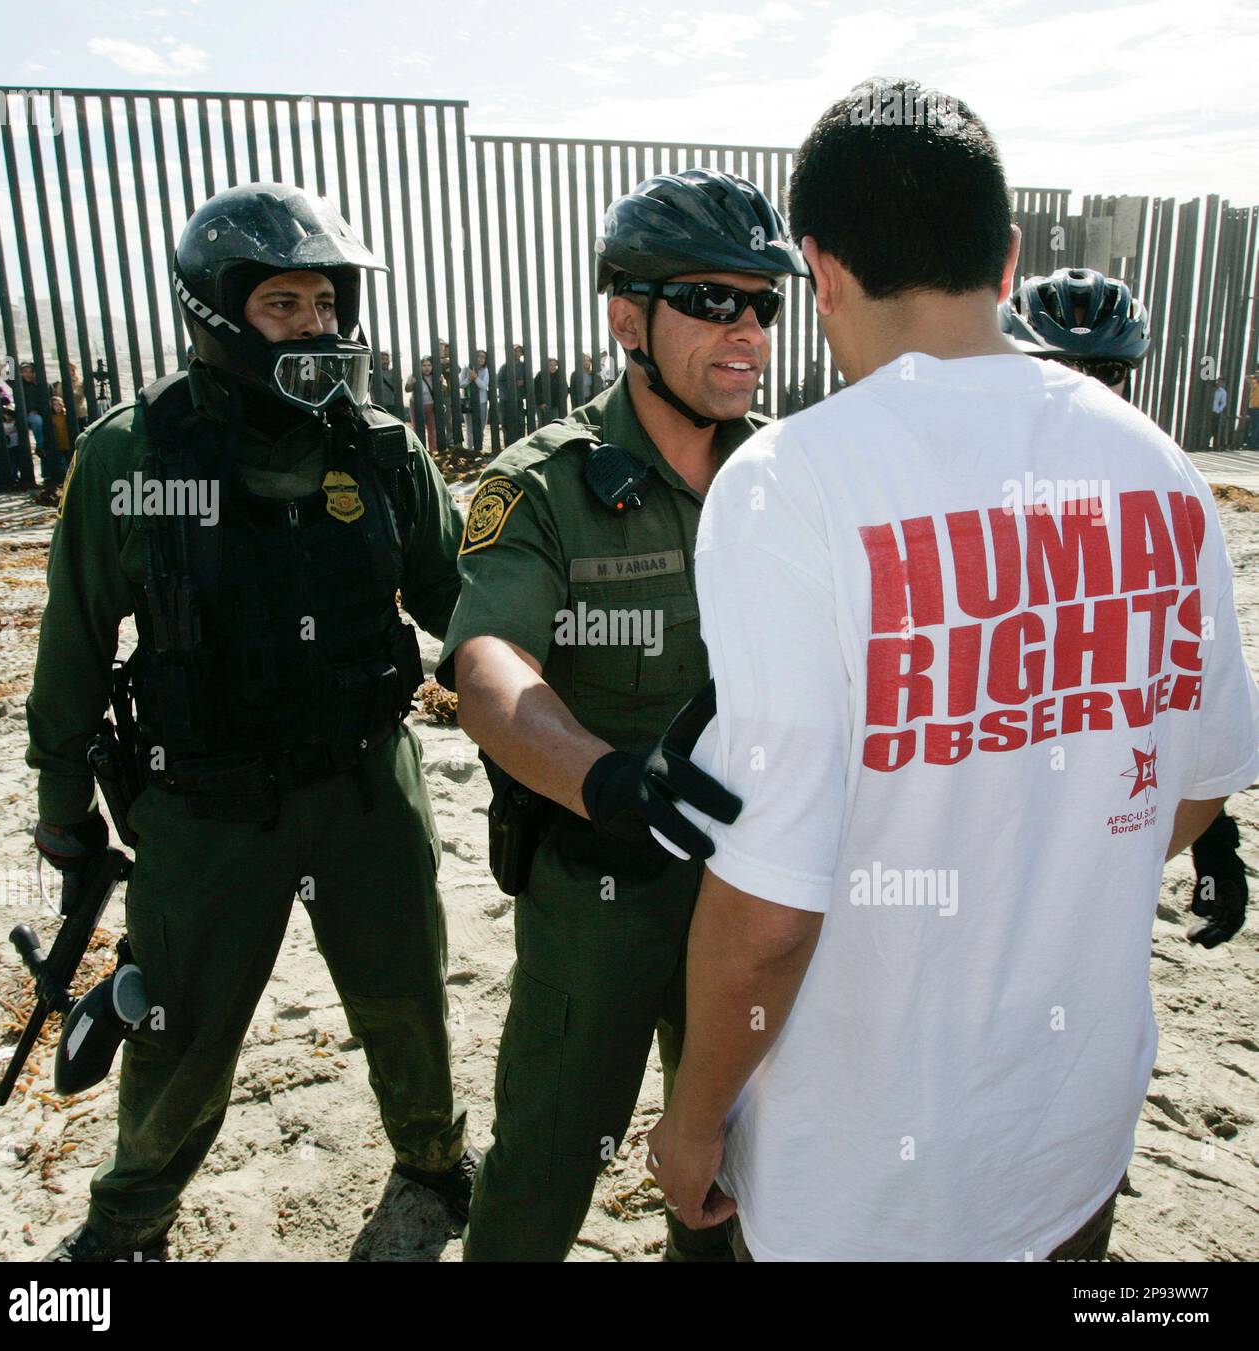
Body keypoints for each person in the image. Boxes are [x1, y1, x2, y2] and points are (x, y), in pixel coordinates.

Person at [645, 77, 1259, 1262]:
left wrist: (689, 1115)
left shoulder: (790, 484)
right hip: (1070, 1141)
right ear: (1008, 254)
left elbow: (769, 910)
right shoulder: (1158, 470)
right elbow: (1189, 795)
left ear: (817, 267)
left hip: (863, 1179)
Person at [26, 181, 476, 1262]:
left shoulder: (379, 450)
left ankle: (430, 1164)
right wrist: (62, 815)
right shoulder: (136, 458)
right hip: (206, 811)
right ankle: (131, 1216)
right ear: (220, 312)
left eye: (326, 302)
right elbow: (74, 649)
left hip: (370, 789)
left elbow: (461, 601)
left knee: (407, 1001)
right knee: (178, 1036)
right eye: (284, 304)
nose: (315, 327)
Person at [440, 167, 807, 1262]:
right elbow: (488, 668)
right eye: (710, 299)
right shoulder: (543, 486)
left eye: (764, 303)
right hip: (606, 890)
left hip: (760, 895)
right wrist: (609, 779)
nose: (745, 328)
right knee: (553, 1154)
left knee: (743, 1158)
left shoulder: (794, 474)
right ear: (625, 318)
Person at [1002, 267, 1249, 951]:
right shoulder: (973, 491)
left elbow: (1185, 687)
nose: (1083, 388)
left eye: (1105, 370)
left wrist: (1216, 848)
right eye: (1056, 366)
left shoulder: (1166, 499)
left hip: (1102, 827)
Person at [405, 355, 440, 456]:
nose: (427, 368)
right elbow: (407, 389)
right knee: (417, 428)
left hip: (430, 405)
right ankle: (420, 451)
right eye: (424, 365)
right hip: (416, 405)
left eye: (429, 365)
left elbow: (444, 389)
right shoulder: (414, 376)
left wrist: (442, 383)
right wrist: (412, 383)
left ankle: (433, 451)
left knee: (432, 429)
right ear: (420, 366)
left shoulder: (436, 376)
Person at [496, 343, 528, 446]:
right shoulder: (505, 367)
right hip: (505, 400)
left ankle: (520, 445)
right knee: (506, 424)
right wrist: (513, 384)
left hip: (518, 400)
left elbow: (529, 382)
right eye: (515, 351)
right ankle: (508, 445)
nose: (517, 353)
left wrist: (523, 385)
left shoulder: (524, 366)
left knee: (520, 423)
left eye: (519, 351)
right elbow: (499, 383)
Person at [461, 349, 491, 453]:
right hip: (469, 402)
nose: (481, 359)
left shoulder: (485, 370)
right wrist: (469, 379)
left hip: (482, 401)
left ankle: (479, 448)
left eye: (483, 357)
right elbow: (461, 384)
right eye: (479, 356)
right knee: (469, 427)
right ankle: (470, 448)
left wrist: (475, 378)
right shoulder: (466, 368)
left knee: (481, 426)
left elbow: (484, 386)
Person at [533, 355, 568, 426]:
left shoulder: (559, 375)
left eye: (555, 365)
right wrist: (540, 403)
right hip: (543, 405)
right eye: (551, 365)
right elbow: (536, 390)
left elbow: (565, 388)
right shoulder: (540, 375)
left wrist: (562, 400)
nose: (553, 367)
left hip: (555, 405)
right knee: (543, 424)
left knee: (555, 423)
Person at [1246, 368, 1259, 450]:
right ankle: (1252, 444)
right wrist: (1254, 376)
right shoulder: (1254, 384)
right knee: (1255, 427)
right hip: (1254, 409)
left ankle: (1255, 443)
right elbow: (1246, 378)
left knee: (1256, 427)